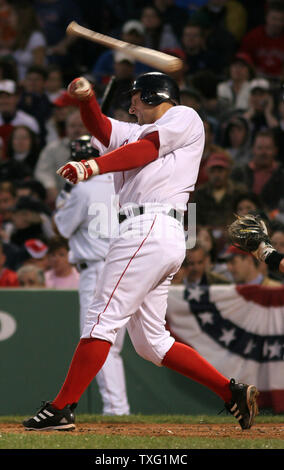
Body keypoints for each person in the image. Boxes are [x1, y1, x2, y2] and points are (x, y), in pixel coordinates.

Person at [23, 71, 259, 431]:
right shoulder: (136, 131)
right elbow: (102, 129)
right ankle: (230, 392)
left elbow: (145, 151)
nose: (131, 104)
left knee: (102, 318)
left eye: (136, 97)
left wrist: (92, 166)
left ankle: (61, 407)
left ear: (153, 96)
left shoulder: (183, 115)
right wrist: (86, 100)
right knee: (152, 343)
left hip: (148, 226)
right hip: (151, 231)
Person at [53, 135, 130, 416]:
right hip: (127, 265)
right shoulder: (123, 183)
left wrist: (64, 195)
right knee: (132, 343)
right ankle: (118, 408)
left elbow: (61, 227)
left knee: (100, 341)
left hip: (97, 271)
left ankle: (117, 410)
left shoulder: (83, 191)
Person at [34, 109, 87, 207]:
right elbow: (43, 172)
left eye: (81, 126)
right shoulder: (53, 148)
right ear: (66, 129)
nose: (77, 130)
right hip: (59, 201)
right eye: (72, 126)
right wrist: (50, 186)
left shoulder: (98, 149)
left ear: (89, 128)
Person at [231, 129, 284, 211]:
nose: (263, 152)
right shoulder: (239, 173)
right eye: (260, 148)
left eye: (268, 148)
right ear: (253, 149)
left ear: (275, 151)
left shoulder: (281, 174)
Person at [239, 0, 284, 79]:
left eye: (281, 20)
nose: (277, 23)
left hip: (280, 81)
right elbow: (243, 57)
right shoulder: (253, 36)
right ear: (266, 18)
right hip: (256, 80)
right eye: (274, 19)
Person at [0, 79, 40, 157]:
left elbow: (35, 150)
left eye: (7, 97)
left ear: (17, 98)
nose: (3, 101)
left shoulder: (29, 122)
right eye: (1, 97)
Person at [10, 2, 47, 82]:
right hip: (20, 84)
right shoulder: (20, 37)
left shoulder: (36, 37)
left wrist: (25, 83)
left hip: (31, 87)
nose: (9, 19)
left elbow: (38, 69)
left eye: (12, 16)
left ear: (21, 18)